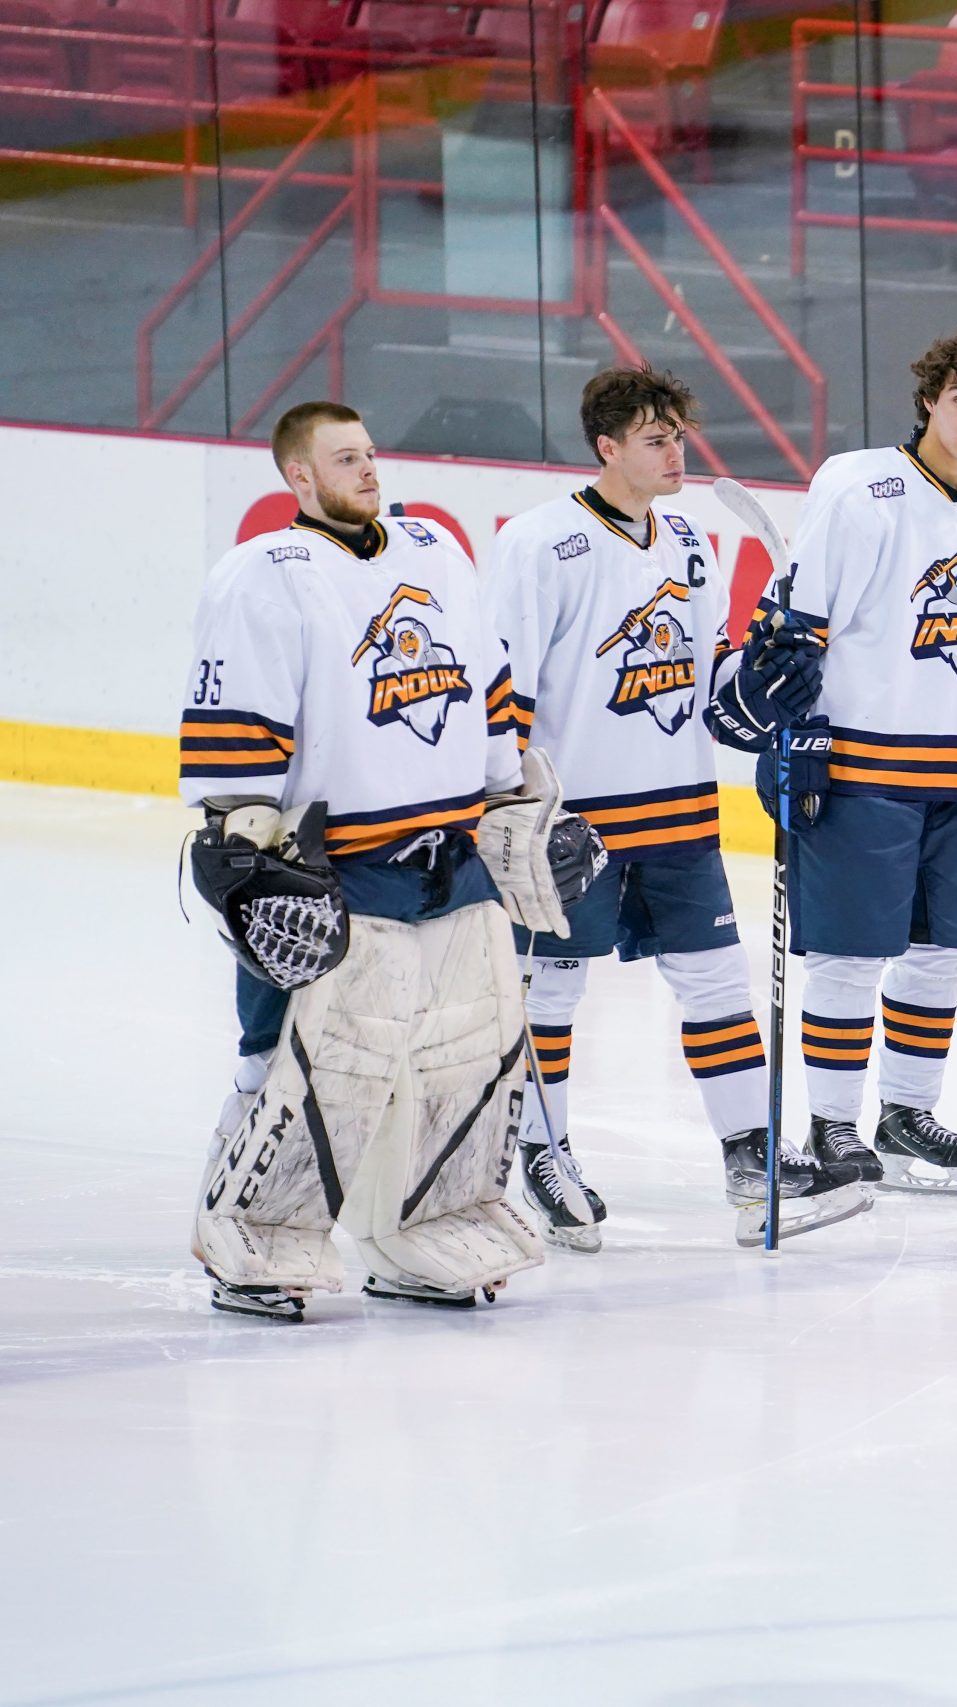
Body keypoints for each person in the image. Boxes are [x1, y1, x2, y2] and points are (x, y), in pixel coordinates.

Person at [182, 401, 603, 1319]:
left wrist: (512, 800)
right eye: (345, 459)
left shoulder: (435, 551)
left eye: (370, 453)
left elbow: (486, 688)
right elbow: (235, 735)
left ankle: (425, 1226)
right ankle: (246, 1229)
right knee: (300, 1061)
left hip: (451, 854)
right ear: (299, 476)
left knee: (462, 1055)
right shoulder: (265, 575)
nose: (370, 469)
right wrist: (245, 851)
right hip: (334, 865)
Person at [485, 365, 864, 1248]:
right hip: (572, 822)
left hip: (679, 812)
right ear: (607, 446)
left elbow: (709, 683)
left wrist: (760, 679)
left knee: (717, 980)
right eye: (655, 440)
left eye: (678, 437)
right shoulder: (539, 544)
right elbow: (503, 688)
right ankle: (543, 1153)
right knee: (553, 989)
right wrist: (504, 809)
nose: (674, 453)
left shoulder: (691, 540)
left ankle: (753, 1154)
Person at [735, 329, 957, 1197]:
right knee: (848, 954)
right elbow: (796, 630)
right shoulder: (859, 488)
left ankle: (907, 1113)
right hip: (863, 765)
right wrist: (793, 733)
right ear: (928, 399)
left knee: (940, 951)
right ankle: (834, 1123)